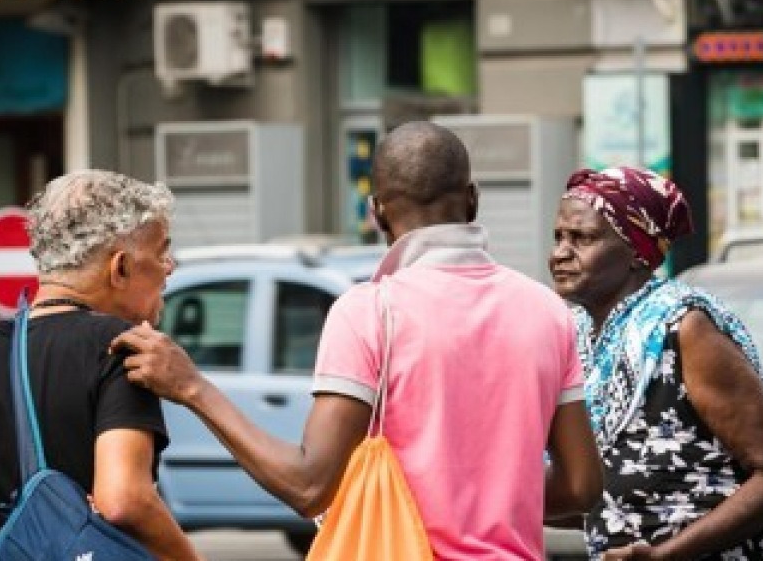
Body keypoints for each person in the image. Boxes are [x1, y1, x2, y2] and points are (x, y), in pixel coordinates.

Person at [112, 121, 604, 559]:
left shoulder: (369, 311)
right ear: (472, 200)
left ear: (376, 212)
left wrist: (193, 387)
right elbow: (582, 486)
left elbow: (308, 487)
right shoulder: (547, 310)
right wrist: (494, 492)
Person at [0, 170, 201, 561]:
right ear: (120, 268)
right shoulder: (123, 349)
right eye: (161, 253)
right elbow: (125, 499)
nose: (169, 267)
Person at [548, 166, 763, 561]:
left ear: (636, 251)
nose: (560, 252)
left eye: (583, 238)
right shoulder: (575, 334)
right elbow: (599, 490)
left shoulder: (685, 328)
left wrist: (668, 555)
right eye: (558, 237)